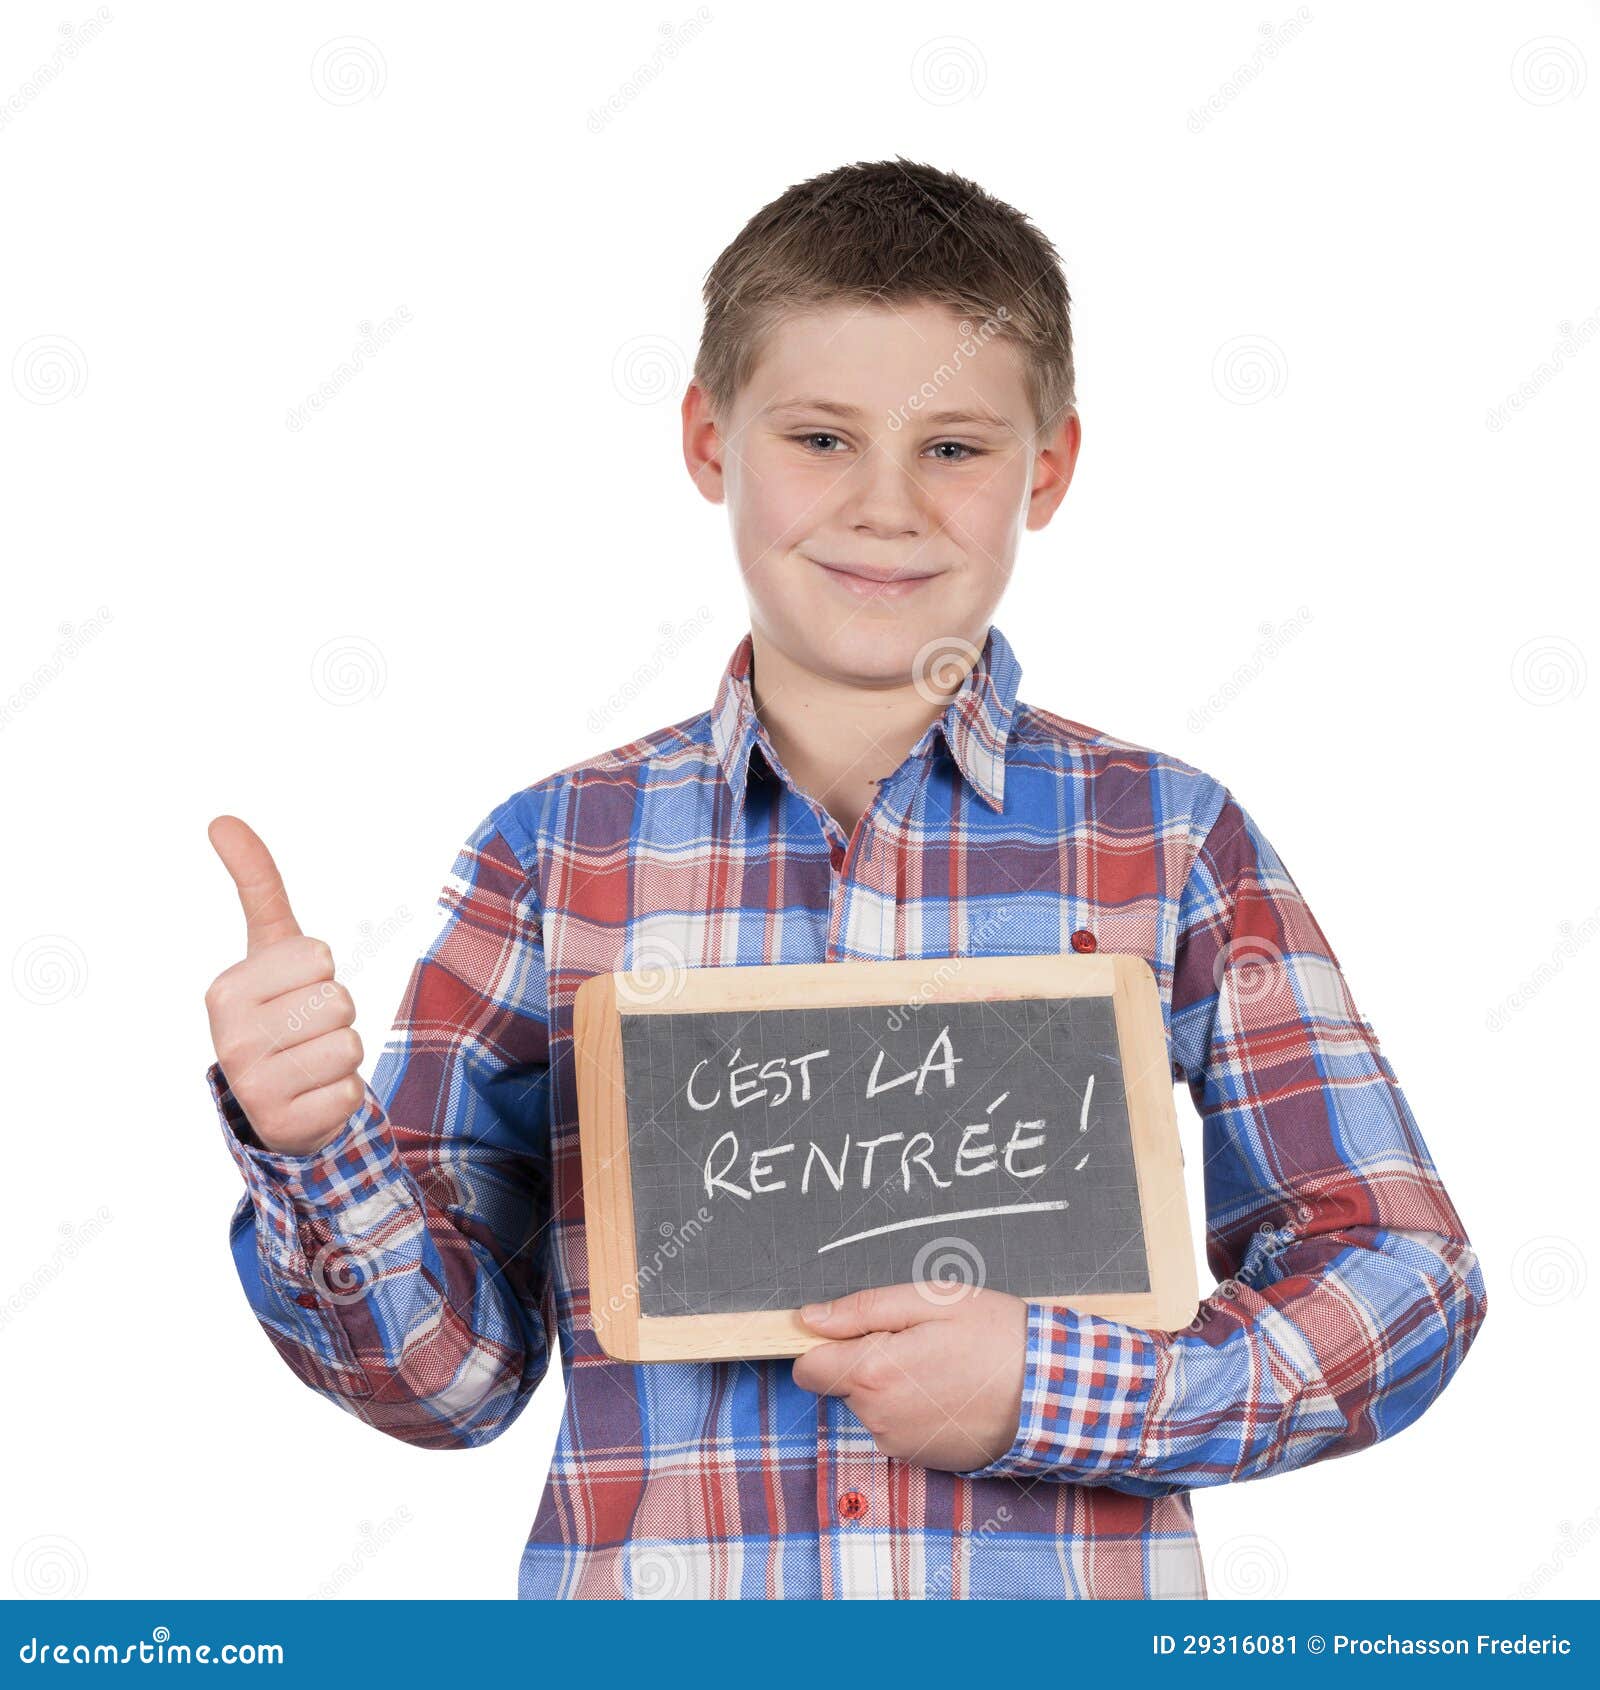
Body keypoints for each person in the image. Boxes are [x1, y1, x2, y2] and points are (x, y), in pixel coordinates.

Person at [202, 158, 1486, 1600]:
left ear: (1047, 468)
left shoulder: (1169, 839)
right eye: (821, 437)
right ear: (711, 441)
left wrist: (1059, 1390)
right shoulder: (555, 855)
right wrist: (314, 1142)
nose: (887, 507)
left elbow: (1405, 1273)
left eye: (954, 448)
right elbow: (449, 1380)